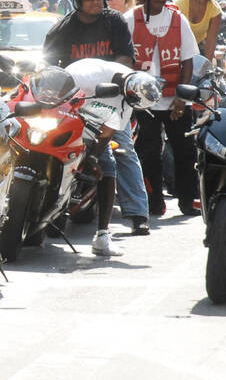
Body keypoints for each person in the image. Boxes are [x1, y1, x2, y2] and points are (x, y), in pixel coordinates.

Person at [43, 0, 149, 234]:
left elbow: (126, 58)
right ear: (78, 2)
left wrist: (110, 82)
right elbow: (47, 66)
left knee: (121, 149)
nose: (94, 2)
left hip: (110, 94)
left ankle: (137, 213)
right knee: (52, 143)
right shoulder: (62, 28)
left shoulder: (114, 21)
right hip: (74, 98)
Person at [123, 0, 198, 218]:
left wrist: (182, 97)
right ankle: (154, 202)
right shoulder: (129, 20)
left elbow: (187, 61)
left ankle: (188, 201)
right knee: (148, 152)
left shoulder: (179, 20)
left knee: (185, 152)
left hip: (176, 100)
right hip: (143, 102)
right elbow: (122, 60)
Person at [61, 61, 162, 255]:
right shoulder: (88, 75)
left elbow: (106, 134)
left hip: (94, 125)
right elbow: (56, 89)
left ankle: (102, 235)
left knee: (109, 167)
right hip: (64, 114)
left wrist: (92, 159)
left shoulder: (128, 101)